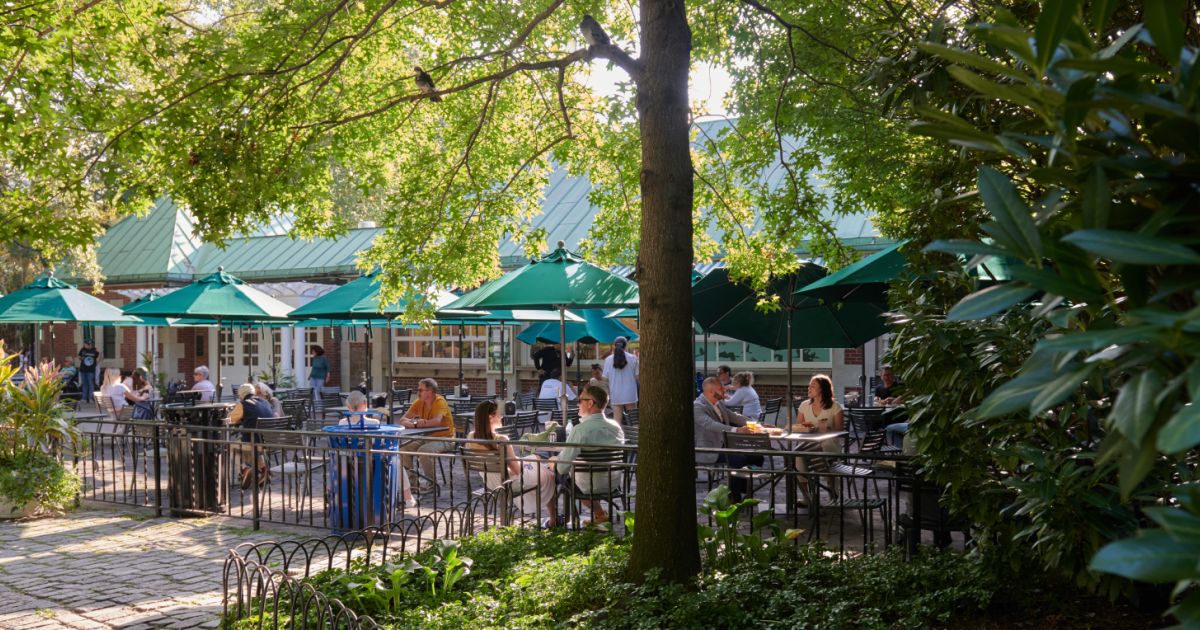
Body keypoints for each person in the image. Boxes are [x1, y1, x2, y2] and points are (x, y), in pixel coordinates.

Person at [466, 400, 558, 525]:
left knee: (536, 460)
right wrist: (525, 461)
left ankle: (544, 513)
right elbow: (517, 470)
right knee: (548, 474)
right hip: (509, 483)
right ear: (490, 417)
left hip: (491, 482)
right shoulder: (501, 440)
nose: (502, 416)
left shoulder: (471, 437)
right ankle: (553, 519)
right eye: (499, 414)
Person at [554, 385, 624, 525]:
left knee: (554, 467)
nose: (578, 403)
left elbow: (562, 469)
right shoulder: (616, 427)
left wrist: (556, 460)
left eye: (580, 400)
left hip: (587, 485)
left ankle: (554, 520)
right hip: (613, 483)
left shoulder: (580, 430)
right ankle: (600, 514)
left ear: (590, 403)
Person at [339, 391, 416, 507]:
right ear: (365, 404)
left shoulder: (342, 423)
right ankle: (408, 497)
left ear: (348, 407)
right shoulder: (373, 422)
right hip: (372, 460)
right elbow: (379, 443)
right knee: (396, 461)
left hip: (347, 460)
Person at [692, 377, 759, 502]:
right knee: (738, 459)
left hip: (725, 446)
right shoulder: (697, 406)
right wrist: (736, 430)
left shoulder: (718, 403)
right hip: (709, 449)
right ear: (711, 392)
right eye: (720, 388)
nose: (724, 390)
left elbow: (735, 416)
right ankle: (735, 498)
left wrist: (758, 424)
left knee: (756, 456)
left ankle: (745, 491)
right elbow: (710, 424)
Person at [398, 378, 455, 494]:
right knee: (403, 448)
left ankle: (432, 485)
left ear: (430, 391)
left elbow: (437, 421)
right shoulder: (419, 402)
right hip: (426, 437)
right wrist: (414, 424)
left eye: (420, 390)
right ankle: (412, 484)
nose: (418, 392)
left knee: (423, 451)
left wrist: (418, 424)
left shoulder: (439, 401)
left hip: (445, 438)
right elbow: (403, 419)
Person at [229, 383, 276, 488]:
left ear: (241, 395)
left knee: (231, 446)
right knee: (248, 444)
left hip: (254, 442)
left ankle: (244, 469)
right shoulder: (265, 402)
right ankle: (264, 470)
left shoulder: (243, 404)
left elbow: (230, 419)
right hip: (269, 442)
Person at [602, 336, 639, 425]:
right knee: (634, 421)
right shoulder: (633, 358)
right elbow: (637, 377)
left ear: (615, 346)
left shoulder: (608, 360)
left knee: (617, 421)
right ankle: (635, 438)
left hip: (616, 394)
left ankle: (618, 439)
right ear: (626, 346)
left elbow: (604, 378)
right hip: (630, 394)